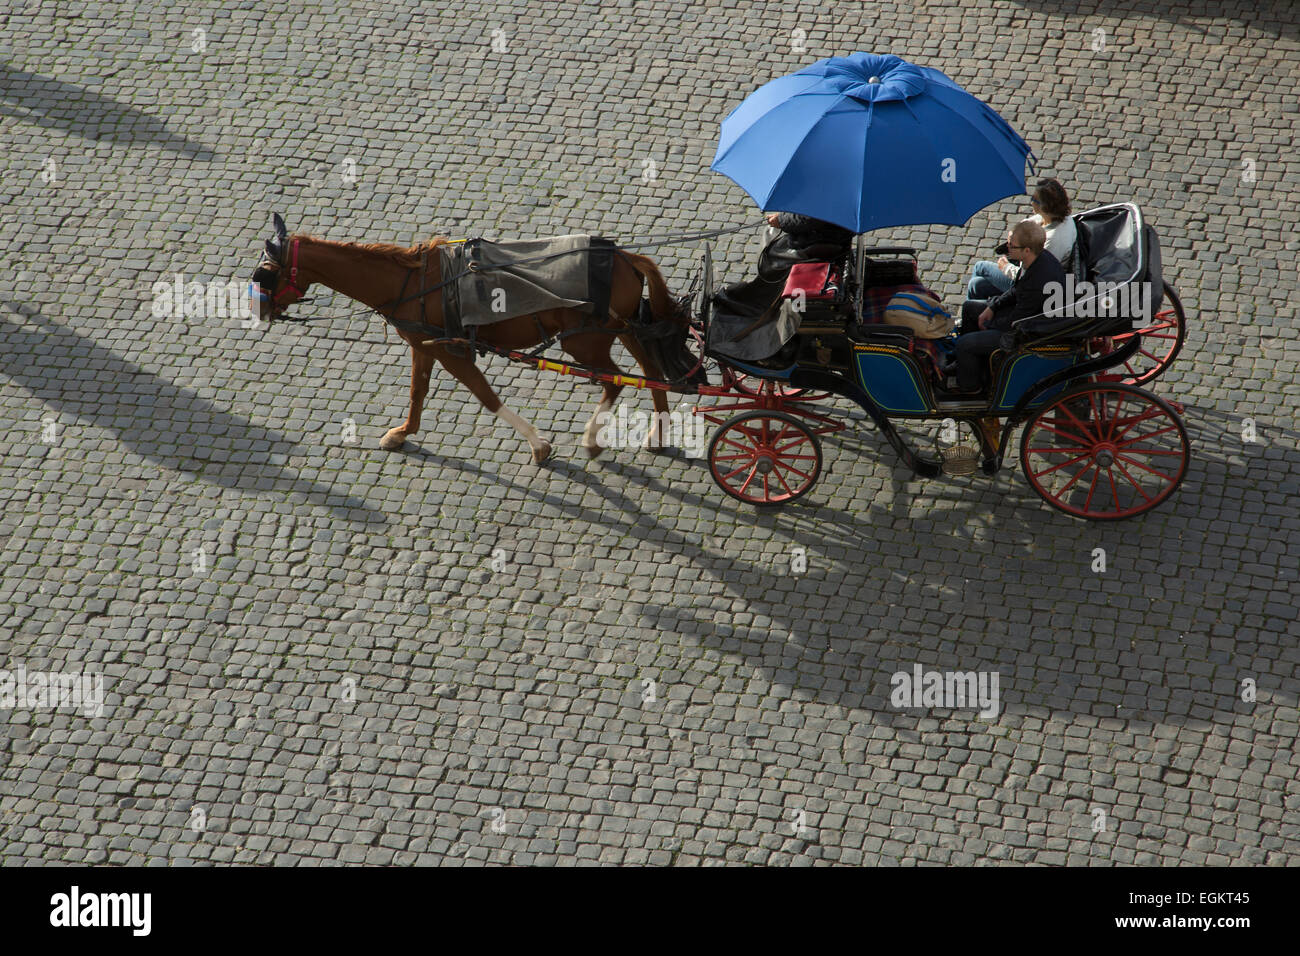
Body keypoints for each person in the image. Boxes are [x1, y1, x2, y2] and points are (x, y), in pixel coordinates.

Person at [948, 219, 1065, 393]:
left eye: (1012, 245)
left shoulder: (1039, 282)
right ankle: (970, 365)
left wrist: (989, 324)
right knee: (970, 308)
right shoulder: (1036, 259)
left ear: (1026, 250)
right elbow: (1017, 290)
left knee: (964, 344)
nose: (1007, 247)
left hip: (1025, 333)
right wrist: (992, 308)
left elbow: (1015, 322)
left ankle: (970, 387)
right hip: (1021, 316)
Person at [965, 179, 1077, 298]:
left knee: (980, 267)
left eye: (1034, 199)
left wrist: (1006, 267)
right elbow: (1035, 221)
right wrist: (1016, 231)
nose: (1031, 202)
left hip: (1030, 286)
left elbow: (1032, 275)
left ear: (1044, 206)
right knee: (975, 284)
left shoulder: (1052, 240)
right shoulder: (1062, 218)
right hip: (1028, 272)